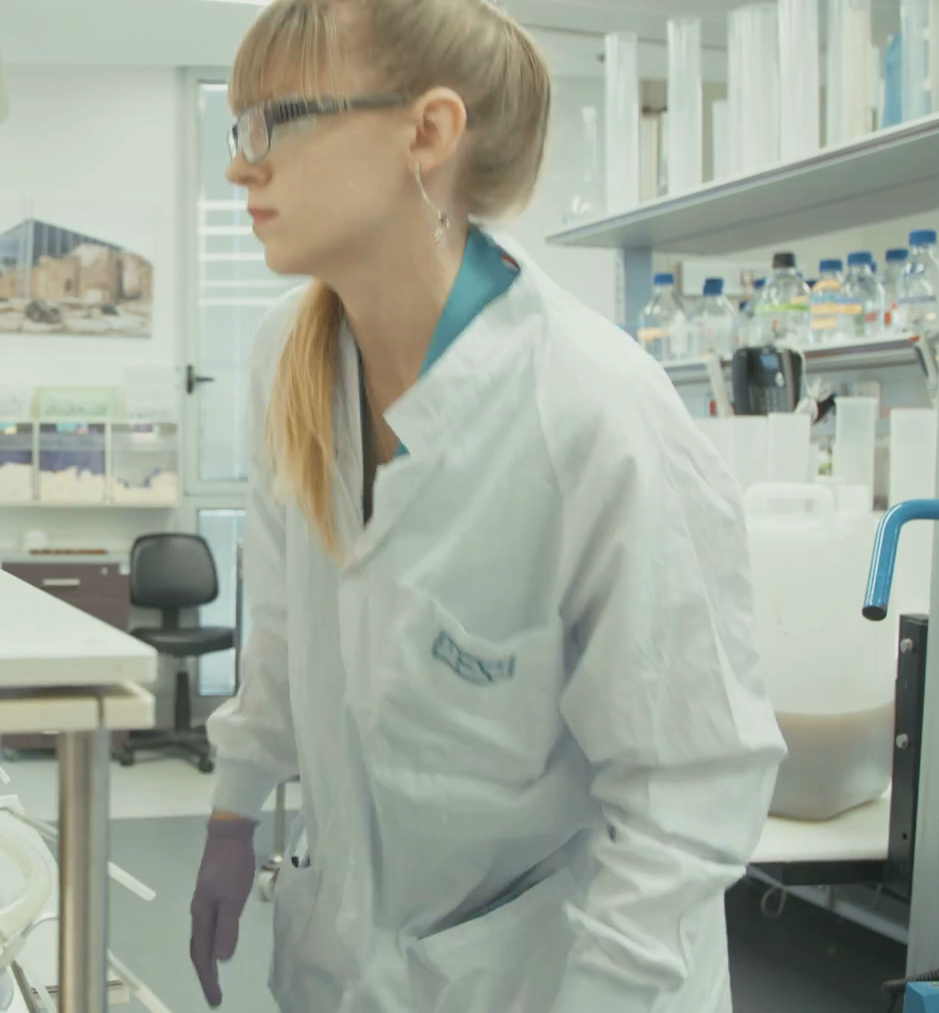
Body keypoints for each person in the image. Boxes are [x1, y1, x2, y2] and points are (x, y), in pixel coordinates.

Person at [186, 1, 788, 1011]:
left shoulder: (590, 410)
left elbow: (688, 782)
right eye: (237, 127)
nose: (244, 165)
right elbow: (287, 636)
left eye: (276, 120)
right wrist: (232, 812)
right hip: (346, 959)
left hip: (558, 976)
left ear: (427, 134)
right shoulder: (287, 357)